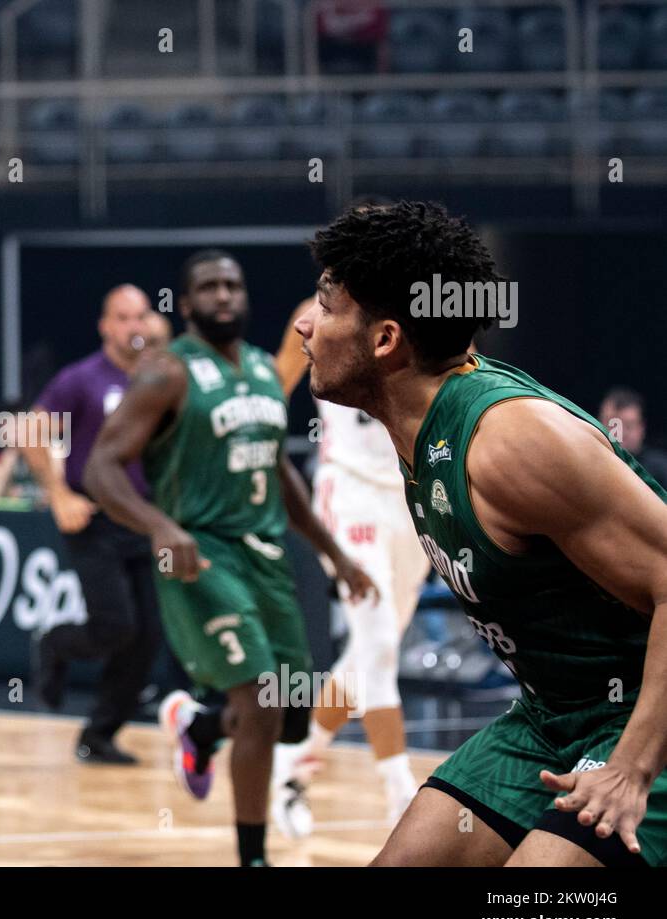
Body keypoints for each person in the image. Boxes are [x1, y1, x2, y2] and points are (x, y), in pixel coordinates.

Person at [297, 200, 667, 867]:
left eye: (326, 307)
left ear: (384, 341)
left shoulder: (510, 443)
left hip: (648, 721)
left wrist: (633, 768)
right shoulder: (413, 431)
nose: (305, 326)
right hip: (553, 715)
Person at [84, 251, 375, 865]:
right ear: (186, 306)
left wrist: (335, 556)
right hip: (201, 557)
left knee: (293, 715)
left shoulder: (269, 373)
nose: (223, 295)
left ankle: (202, 727)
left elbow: (279, 472)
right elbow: (100, 467)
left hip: (266, 558)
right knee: (263, 704)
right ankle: (253, 857)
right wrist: (159, 527)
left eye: (233, 286)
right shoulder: (166, 372)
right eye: (209, 287)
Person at [275, 207, 430, 826]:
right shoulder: (312, 319)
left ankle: (294, 764)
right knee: (380, 649)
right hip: (349, 494)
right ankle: (402, 795)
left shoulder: (415, 317)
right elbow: (268, 389)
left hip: (406, 496)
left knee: (367, 657)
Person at [22, 284, 166, 764]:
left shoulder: (157, 379)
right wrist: (58, 493)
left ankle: (100, 733)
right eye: (123, 317)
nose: (133, 326)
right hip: (93, 519)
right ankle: (56, 643)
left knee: (148, 638)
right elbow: (31, 429)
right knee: (116, 625)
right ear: (106, 326)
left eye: (141, 316)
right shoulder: (82, 379)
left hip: (144, 521)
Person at [599, 387, 667, 490]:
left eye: (628, 425)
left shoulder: (661, 468)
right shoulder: (587, 461)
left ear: (641, 428)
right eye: (612, 424)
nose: (620, 433)